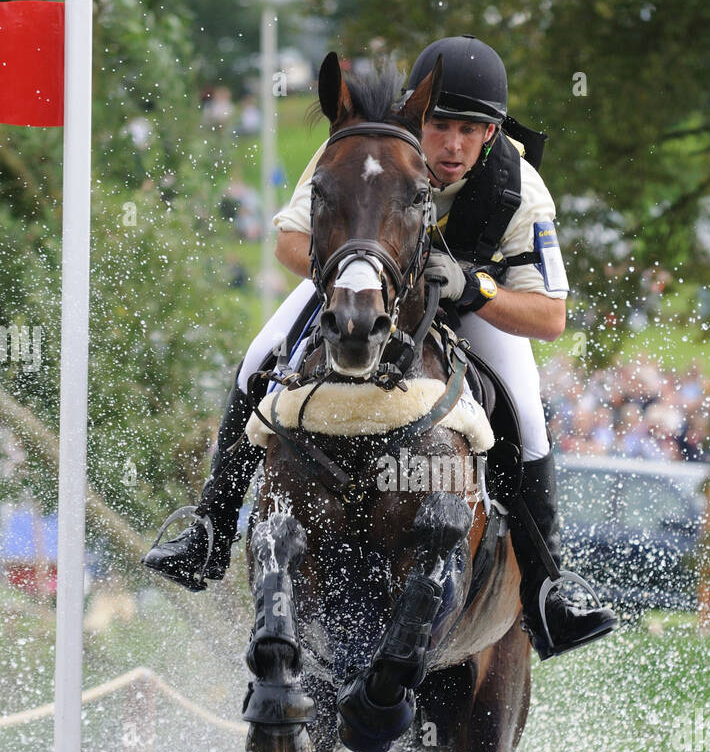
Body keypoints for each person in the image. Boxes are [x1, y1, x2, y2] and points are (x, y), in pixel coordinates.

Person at [143, 36, 616, 659]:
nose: (451, 145)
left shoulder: (519, 188)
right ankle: (209, 525)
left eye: (470, 131)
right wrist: (361, 277)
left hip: (469, 310)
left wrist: (475, 290)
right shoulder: (356, 149)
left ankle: (549, 585)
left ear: (493, 133)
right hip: (359, 295)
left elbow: (550, 316)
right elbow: (290, 243)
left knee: (526, 415)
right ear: (417, 116)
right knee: (259, 359)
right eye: (440, 125)